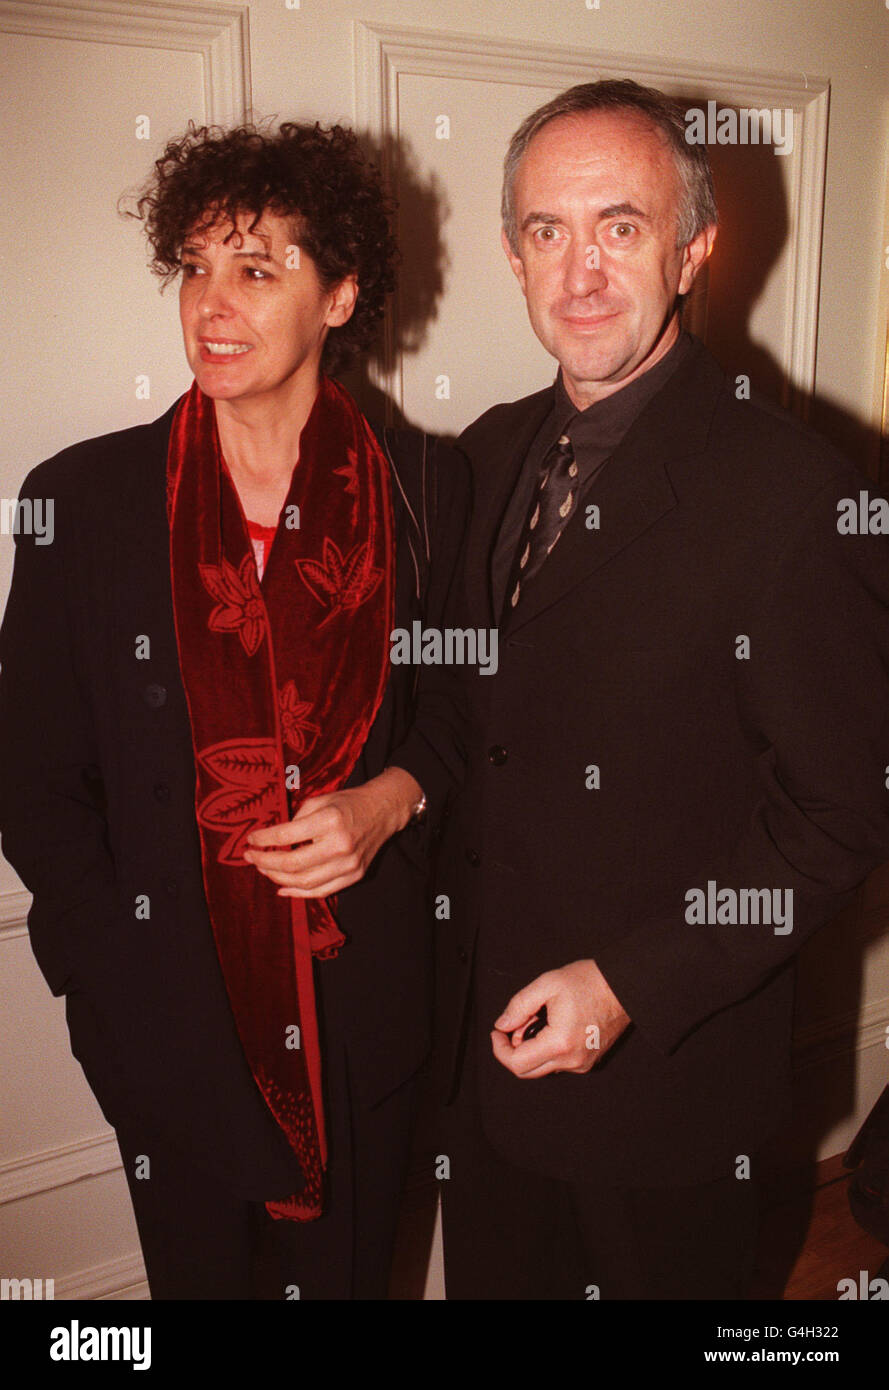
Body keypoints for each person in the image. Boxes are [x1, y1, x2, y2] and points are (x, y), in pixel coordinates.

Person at [434, 79, 889, 1300]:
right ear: (512, 256)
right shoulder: (482, 452)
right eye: (547, 232)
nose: (579, 271)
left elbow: (840, 816)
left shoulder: (795, 498)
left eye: (619, 227)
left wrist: (631, 983)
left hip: (667, 1094)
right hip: (482, 1065)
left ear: (694, 250)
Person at [0, 121, 468, 1300]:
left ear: (343, 292)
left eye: (257, 269)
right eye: (194, 266)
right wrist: (123, 974)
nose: (211, 303)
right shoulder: (80, 500)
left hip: (360, 1004)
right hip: (163, 1008)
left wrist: (387, 801)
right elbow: (32, 775)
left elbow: (467, 706)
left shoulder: (428, 489)